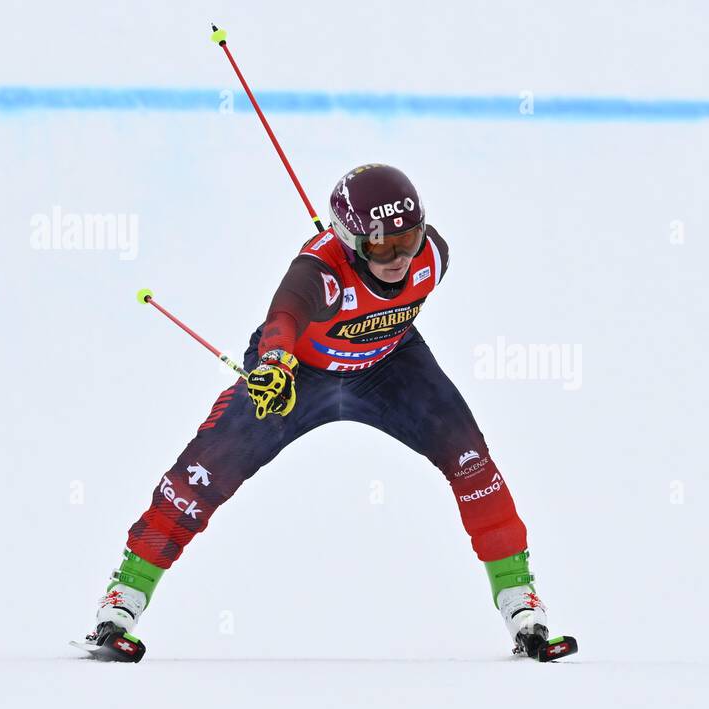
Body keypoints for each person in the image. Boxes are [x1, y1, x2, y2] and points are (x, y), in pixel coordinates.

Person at [76, 163, 573, 663]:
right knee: (204, 474)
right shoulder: (317, 273)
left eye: (408, 238)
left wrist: (385, 298)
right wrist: (273, 362)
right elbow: (284, 318)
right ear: (349, 239)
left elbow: (403, 275)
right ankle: (122, 603)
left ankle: (520, 604)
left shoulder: (435, 255)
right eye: (380, 246)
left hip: (390, 365)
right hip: (298, 377)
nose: (399, 257)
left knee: (471, 462)